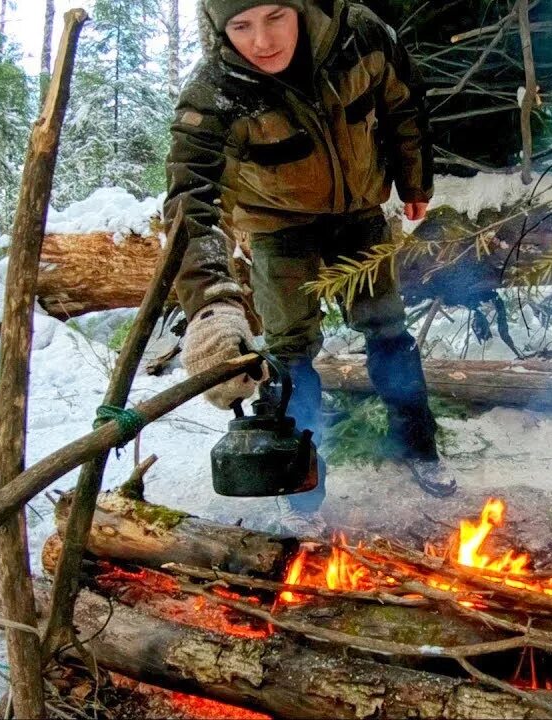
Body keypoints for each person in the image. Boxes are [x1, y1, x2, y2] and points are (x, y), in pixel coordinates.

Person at [164, 0, 452, 513]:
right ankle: (302, 481)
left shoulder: (358, 36)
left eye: (275, 17)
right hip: (276, 229)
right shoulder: (215, 92)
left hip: (361, 212)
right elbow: (190, 202)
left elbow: (403, 102)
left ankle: (418, 447)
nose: (261, 41)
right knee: (289, 352)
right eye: (241, 25)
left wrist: (414, 177)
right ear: (220, 28)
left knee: (387, 329)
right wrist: (210, 305)